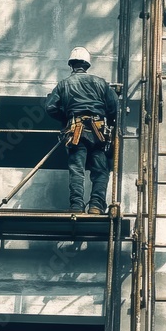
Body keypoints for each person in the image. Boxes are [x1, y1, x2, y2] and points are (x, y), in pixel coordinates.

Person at [45, 46, 119, 214]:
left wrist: (65, 118)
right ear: (87, 65)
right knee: (100, 171)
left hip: (76, 132)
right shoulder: (100, 83)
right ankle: (96, 205)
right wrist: (108, 119)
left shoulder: (64, 84)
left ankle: (76, 206)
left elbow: (50, 107)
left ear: (71, 64)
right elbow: (115, 107)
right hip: (99, 133)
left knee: (77, 170)